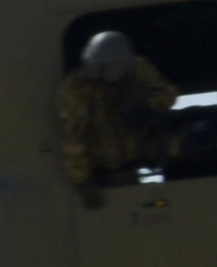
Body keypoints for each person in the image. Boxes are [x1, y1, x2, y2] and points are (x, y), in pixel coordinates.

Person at [55, 28, 179, 205]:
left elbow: (169, 94)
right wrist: (82, 181)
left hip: (132, 160)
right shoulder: (75, 90)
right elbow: (72, 139)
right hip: (100, 169)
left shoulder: (139, 70)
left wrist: (147, 103)